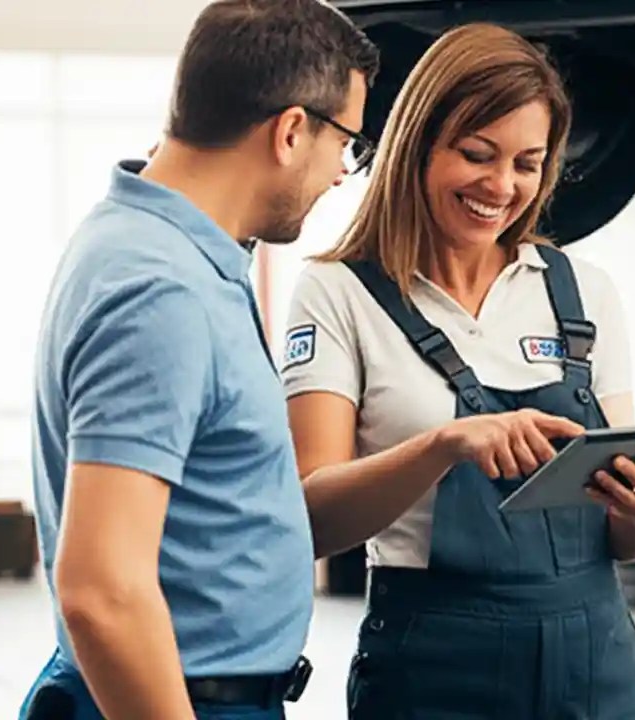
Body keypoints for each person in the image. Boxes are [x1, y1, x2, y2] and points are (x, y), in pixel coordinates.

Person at [282, 23, 635, 719]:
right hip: (433, 662)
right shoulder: (337, 294)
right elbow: (313, 518)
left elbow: (618, 532)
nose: (501, 186)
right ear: (416, 144)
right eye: (477, 154)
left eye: (527, 163)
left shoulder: (583, 292)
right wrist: (446, 444)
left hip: (595, 656)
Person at [19, 2, 379, 718]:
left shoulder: (159, 245)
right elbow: (101, 590)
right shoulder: (162, 288)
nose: (342, 174)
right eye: (348, 144)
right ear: (291, 130)